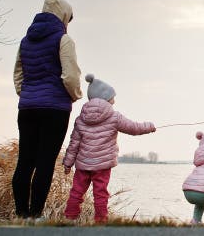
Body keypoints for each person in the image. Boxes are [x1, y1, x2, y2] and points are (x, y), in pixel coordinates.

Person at [12, 0, 82, 220]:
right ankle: (35, 216)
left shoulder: (25, 40)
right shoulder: (64, 40)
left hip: (28, 108)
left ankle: (21, 215)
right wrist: (74, 95)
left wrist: (27, 95)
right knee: (44, 163)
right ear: (63, 16)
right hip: (54, 110)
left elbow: (18, 75)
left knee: (25, 161)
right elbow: (70, 76)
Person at [62, 74, 156, 223]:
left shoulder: (81, 119)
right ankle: (100, 222)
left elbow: (74, 143)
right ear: (106, 98)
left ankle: (69, 218)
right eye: (112, 97)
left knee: (76, 192)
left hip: (82, 164)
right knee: (100, 194)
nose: (114, 100)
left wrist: (68, 163)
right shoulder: (114, 116)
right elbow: (134, 128)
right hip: (102, 165)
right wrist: (149, 127)